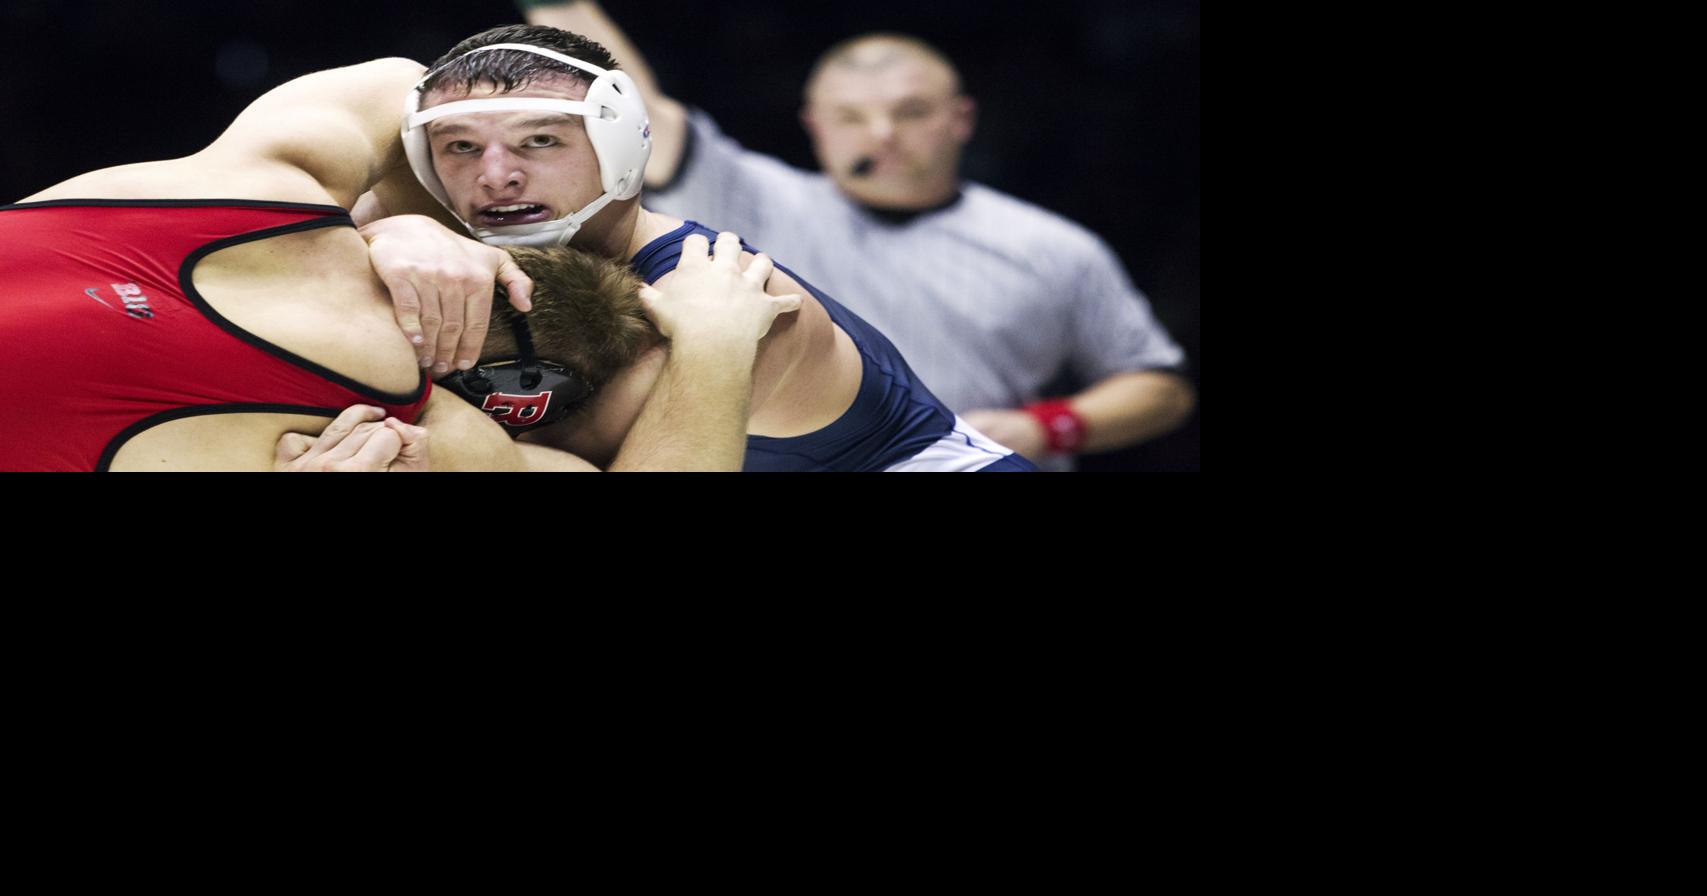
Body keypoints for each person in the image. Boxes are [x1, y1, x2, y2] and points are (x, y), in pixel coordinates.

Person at [0, 57, 792, 473]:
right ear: (510, 396)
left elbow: (405, 85)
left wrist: (413, 221)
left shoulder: (266, 181)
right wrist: (715, 347)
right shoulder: (407, 430)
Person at [518, 0, 1196, 471]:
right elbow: (632, 106)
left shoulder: (1051, 247)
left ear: (960, 119)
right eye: (850, 115)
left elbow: (1159, 384)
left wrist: (1049, 426)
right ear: (813, 123)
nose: (880, 136)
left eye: (910, 113)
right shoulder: (750, 194)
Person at [364, 25, 1035, 471]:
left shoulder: (731, 295)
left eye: (541, 141)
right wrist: (395, 229)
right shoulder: (446, 248)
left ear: (618, 147)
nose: (496, 175)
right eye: (460, 148)